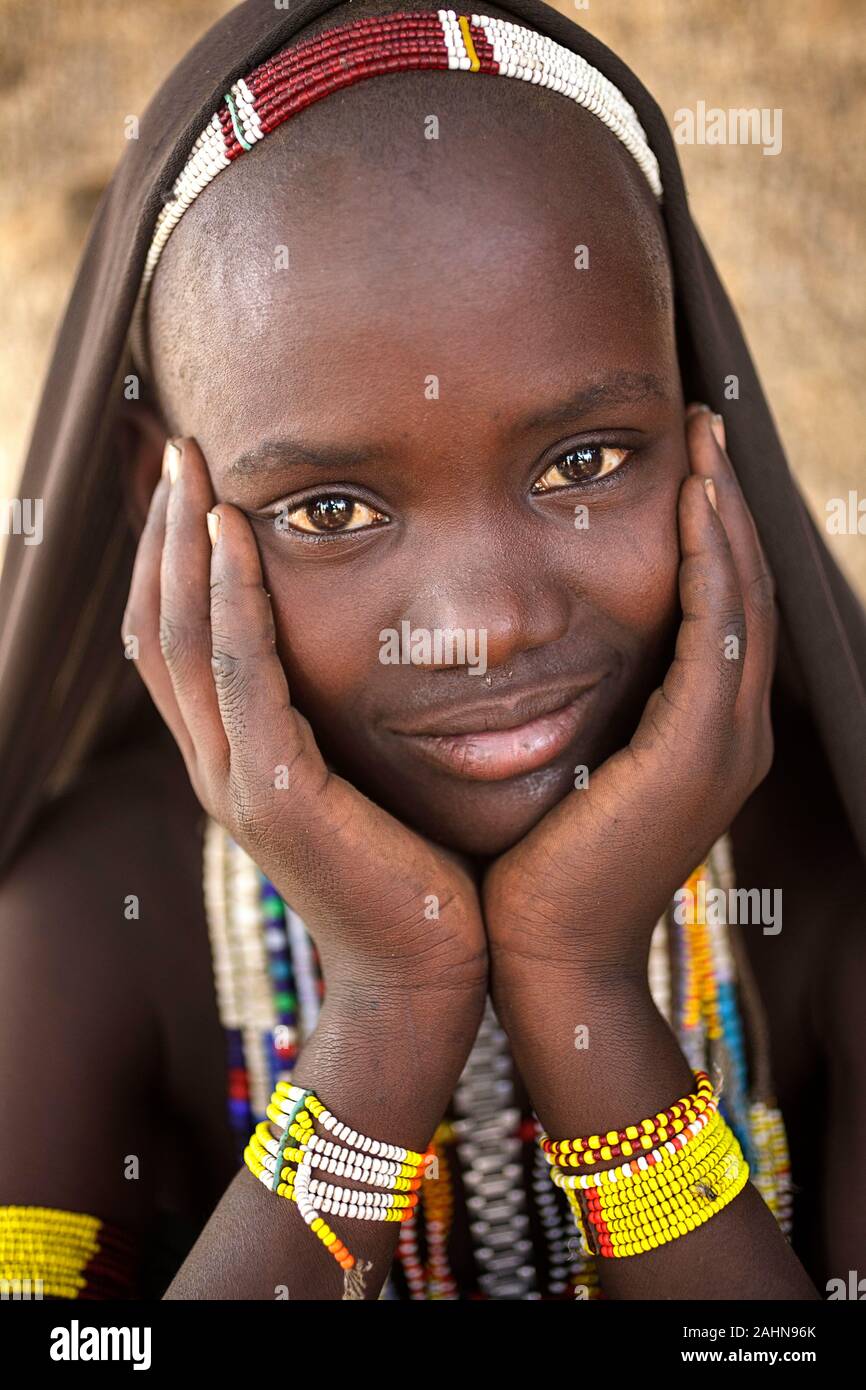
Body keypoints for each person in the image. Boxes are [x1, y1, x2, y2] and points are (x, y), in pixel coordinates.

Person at [0, 0, 864, 1302]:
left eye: (582, 461)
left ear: (703, 421)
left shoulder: (826, 888)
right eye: (331, 509)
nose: (482, 623)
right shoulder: (85, 929)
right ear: (161, 506)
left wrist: (584, 987)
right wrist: (387, 1011)